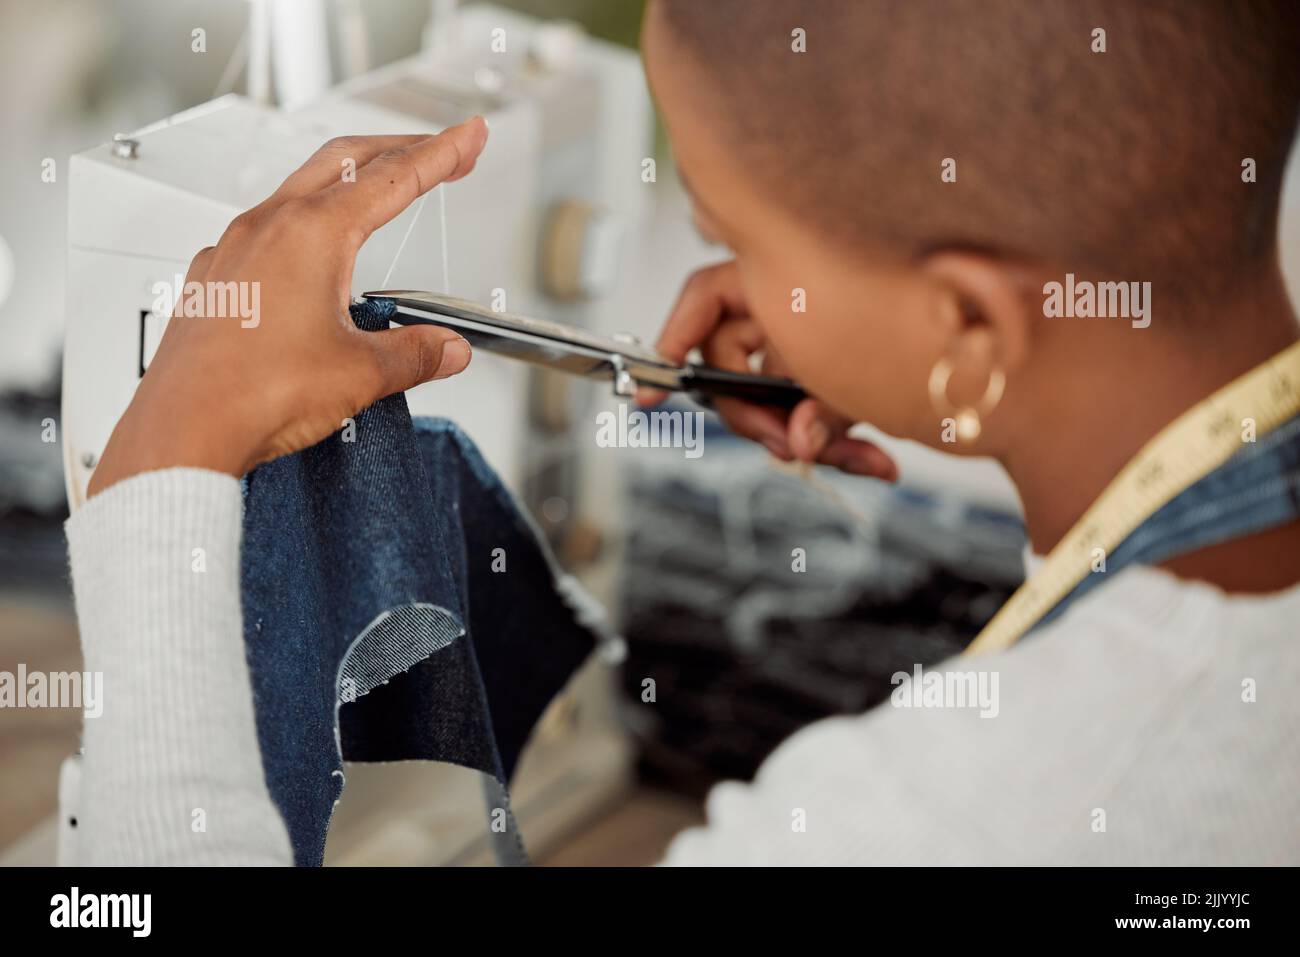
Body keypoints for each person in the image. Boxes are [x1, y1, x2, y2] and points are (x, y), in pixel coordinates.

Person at [65, 0, 1300, 865]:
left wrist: (168, 454)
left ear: (969, 322)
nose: (726, 281)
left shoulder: (955, 823)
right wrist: (940, 375)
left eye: (737, 233)